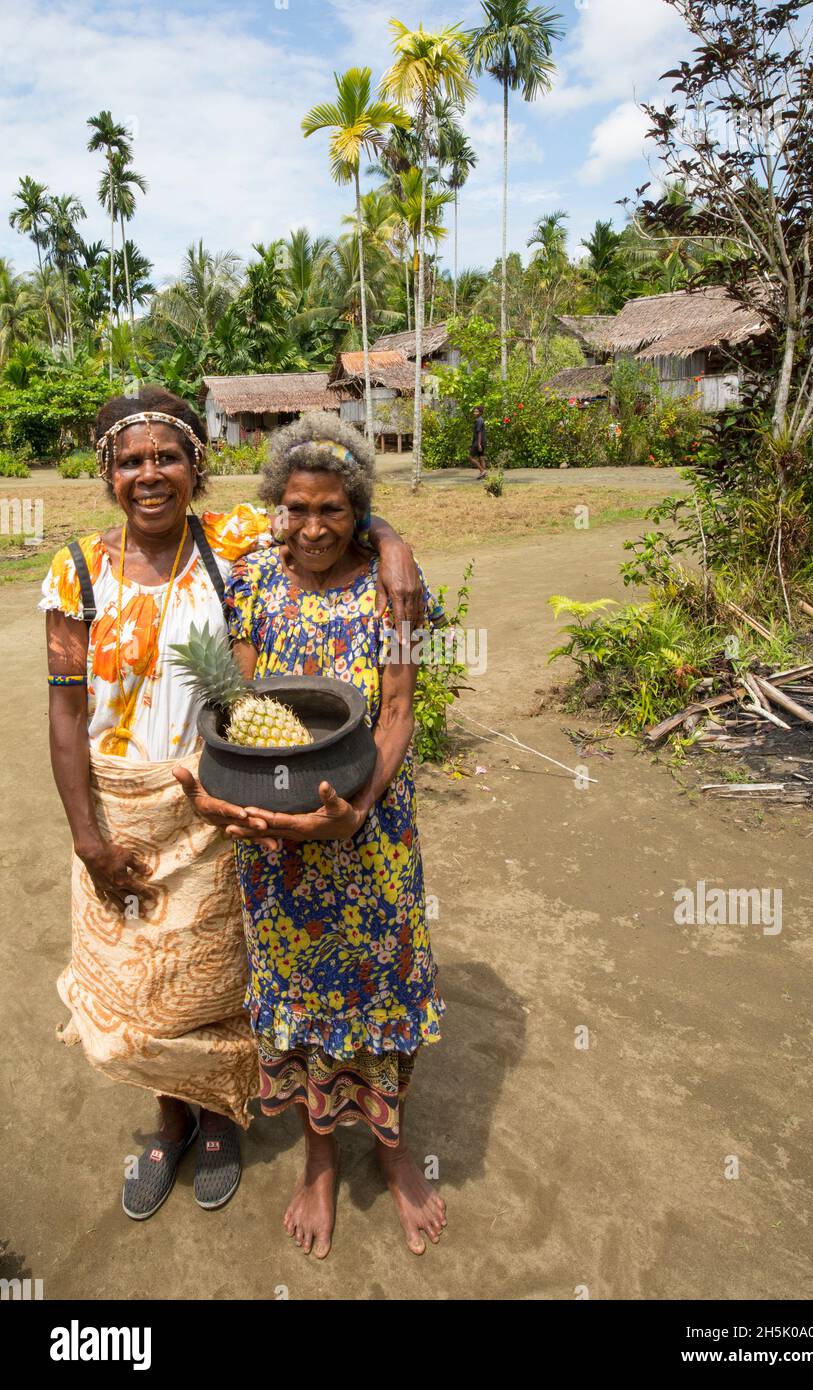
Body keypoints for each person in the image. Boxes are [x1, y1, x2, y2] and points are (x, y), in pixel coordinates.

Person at [42, 386, 423, 1222]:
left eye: (168, 457)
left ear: (197, 466)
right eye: (131, 461)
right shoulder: (77, 571)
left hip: (219, 799)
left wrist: (392, 542)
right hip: (124, 807)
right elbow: (64, 714)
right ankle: (169, 1118)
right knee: (136, 988)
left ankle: (219, 1121)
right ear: (108, 472)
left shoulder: (234, 542)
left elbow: (327, 501)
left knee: (213, 982)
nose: (150, 474)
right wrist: (87, 839)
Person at [175, 412, 447, 1258]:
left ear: (358, 510)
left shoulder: (396, 587)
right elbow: (240, 709)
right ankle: (321, 1162)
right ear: (277, 508)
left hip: (371, 833)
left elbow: (398, 712)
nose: (315, 527)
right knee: (299, 1003)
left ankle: (394, 1153)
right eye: (298, 508)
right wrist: (235, 805)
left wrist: (356, 810)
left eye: (333, 509)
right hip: (280, 837)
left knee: (381, 993)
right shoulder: (254, 578)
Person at [469, 405, 488, 478]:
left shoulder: (479, 420)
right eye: (474, 411)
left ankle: (482, 471)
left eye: (477, 411)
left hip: (478, 442)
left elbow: (479, 432)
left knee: (471, 458)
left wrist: (479, 444)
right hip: (482, 441)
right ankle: (484, 474)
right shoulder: (480, 419)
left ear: (480, 412)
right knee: (481, 457)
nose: (475, 413)